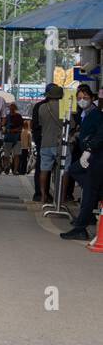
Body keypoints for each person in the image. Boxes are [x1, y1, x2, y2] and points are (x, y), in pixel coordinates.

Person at [61, 84, 103, 241]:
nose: (82, 101)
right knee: (75, 171)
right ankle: (96, 195)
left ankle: (80, 228)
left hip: (96, 156)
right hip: (90, 155)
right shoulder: (84, 113)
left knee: (88, 193)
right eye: (79, 98)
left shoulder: (96, 115)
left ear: (92, 98)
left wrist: (89, 149)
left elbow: (100, 134)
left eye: (85, 98)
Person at [35, 83, 64, 203]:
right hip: (61, 144)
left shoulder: (42, 107)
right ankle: (60, 198)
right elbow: (71, 125)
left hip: (45, 142)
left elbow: (40, 123)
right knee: (63, 170)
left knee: (44, 170)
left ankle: (43, 195)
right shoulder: (64, 107)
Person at [1, 103, 24, 174]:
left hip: (16, 138)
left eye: (12, 108)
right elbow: (3, 126)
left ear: (15, 108)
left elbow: (21, 127)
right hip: (8, 138)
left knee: (16, 155)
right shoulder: (7, 117)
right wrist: (4, 130)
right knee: (6, 155)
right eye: (10, 108)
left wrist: (13, 130)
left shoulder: (19, 116)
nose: (11, 109)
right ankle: (6, 167)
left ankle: (15, 170)